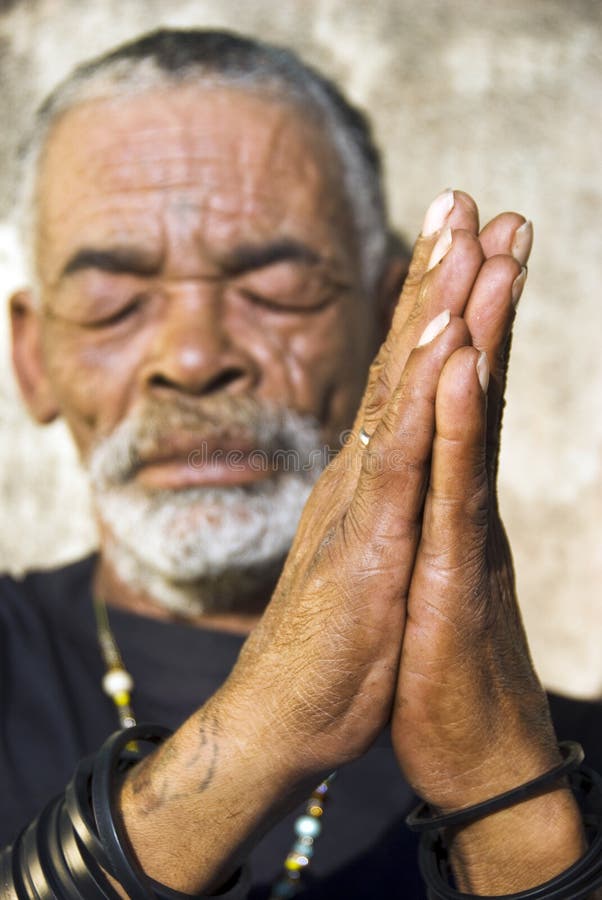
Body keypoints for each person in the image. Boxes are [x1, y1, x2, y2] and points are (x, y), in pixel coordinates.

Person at [1, 27, 601, 900]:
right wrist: (260, 734)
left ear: (393, 316)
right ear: (33, 358)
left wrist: (502, 795)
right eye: (112, 302)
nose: (195, 357)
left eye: (275, 290)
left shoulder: (566, 771)